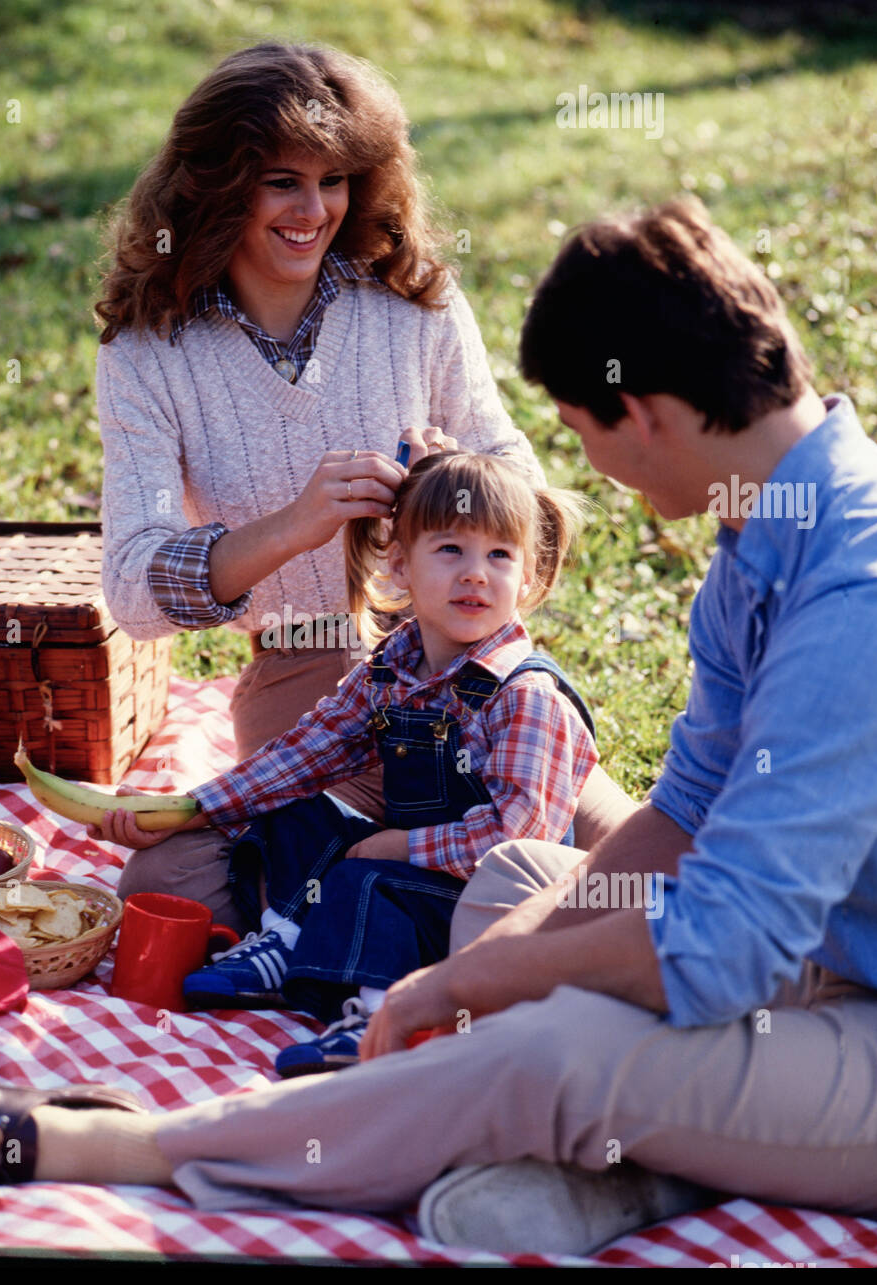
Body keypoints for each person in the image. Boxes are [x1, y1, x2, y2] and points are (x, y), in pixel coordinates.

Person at [0, 196, 877, 1259]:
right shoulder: (759, 538)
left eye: (583, 432)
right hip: (830, 970)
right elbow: (679, 814)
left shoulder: (876, 600)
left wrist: (463, 988)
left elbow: (719, 945)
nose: (592, 469)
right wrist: (513, 953)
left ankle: (112, 1141)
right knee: (526, 870)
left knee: (551, 1044)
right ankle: (625, 1163)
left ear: (647, 417)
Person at [92, 42, 634, 928]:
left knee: (630, 850)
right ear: (217, 187)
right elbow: (134, 589)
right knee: (168, 885)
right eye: (281, 183)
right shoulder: (149, 352)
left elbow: (526, 499)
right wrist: (290, 526)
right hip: (306, 675)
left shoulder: (413, 302)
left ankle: (507, 913)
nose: (315, 210)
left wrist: (457, 481)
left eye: (336, 179)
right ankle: (476, 918)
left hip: (466, 666)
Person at [147, 451, 597, 1078]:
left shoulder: (524, 697)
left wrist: (400, 847)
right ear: (400, 565)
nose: (475, 575)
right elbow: (304, 753)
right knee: (297, 808)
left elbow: (517, 842)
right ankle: (287, 939)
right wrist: (193, 808)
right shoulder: (393, 669)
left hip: (484, 909)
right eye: (450, 550)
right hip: (418, 878)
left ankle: (380, 1017)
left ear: (527, 578)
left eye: (499, 556)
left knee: (366, 879)